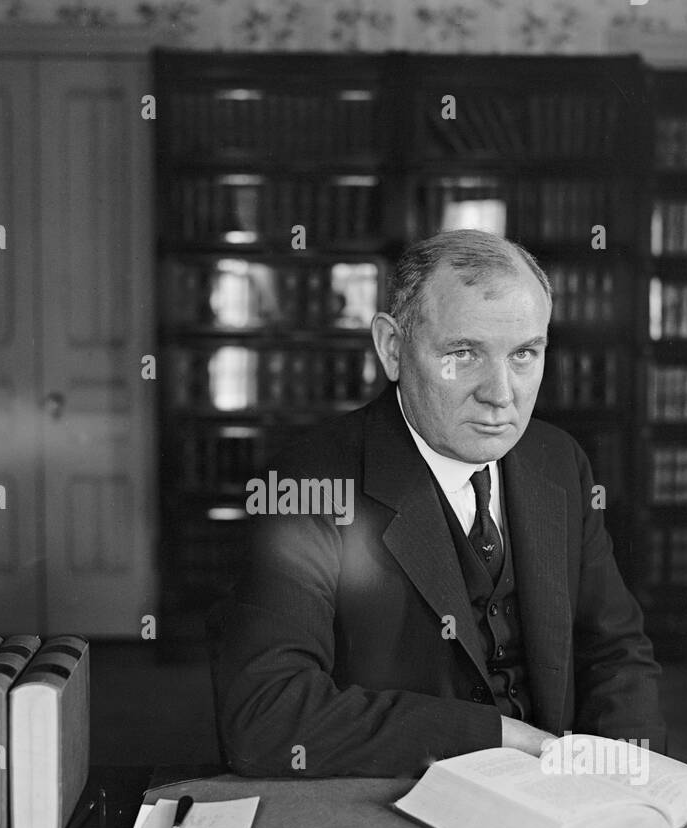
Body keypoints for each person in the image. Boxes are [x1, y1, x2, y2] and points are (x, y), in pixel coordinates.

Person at [207, 229, 663, 776]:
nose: (501, 393)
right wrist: (498, 737)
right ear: (393, 349)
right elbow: (267, 717)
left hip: (558, 808)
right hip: (393, 809)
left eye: (523, 354)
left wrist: (629, 786)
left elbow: (616, 653)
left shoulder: (559, 461)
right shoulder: (307, 484)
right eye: (464, 354)